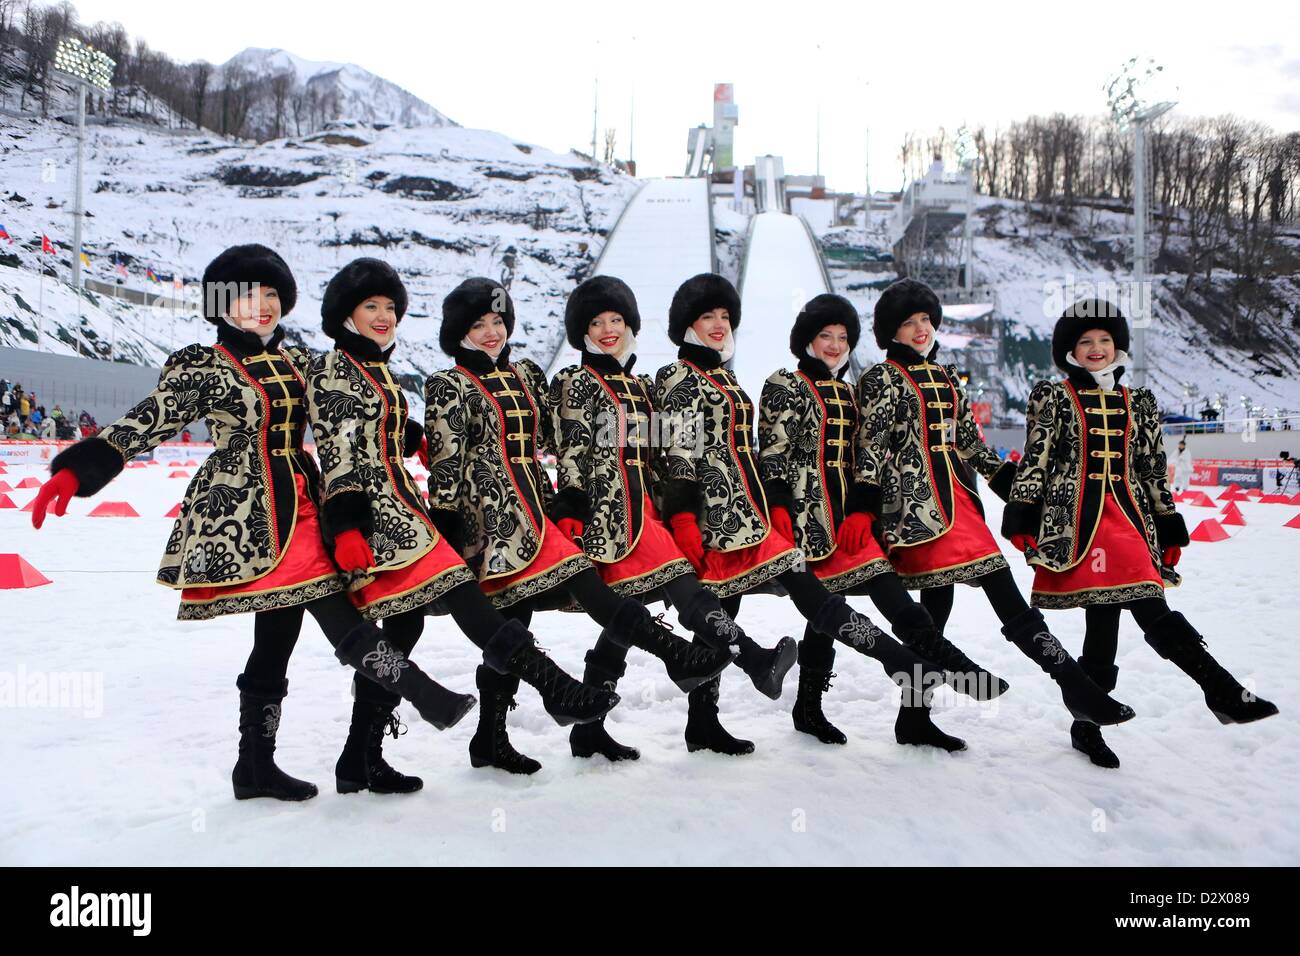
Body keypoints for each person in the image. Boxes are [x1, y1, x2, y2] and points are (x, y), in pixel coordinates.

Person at [31, 244, 479, 803]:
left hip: (308, 508)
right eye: (248, 295)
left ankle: (254, 767)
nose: (263, 305)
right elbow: (148, 420)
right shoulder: (206, 366)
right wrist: (81, 470)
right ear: (221, 304)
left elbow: (353, 417)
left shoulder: (299, 365)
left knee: (275, 641)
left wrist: (419, 441)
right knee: (333, 612)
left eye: (272, 294)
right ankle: (422, 693)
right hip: (247, 514)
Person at [308, 259, 617, 791]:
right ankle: (552, 686)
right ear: (346, 315)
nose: (384, 316)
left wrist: (412, 438)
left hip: (401, 505)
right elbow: (339, 448)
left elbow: (378, 425)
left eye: (390, 308)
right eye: (371, 307)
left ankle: (360, 756)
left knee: (405, 628)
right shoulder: (332, 368)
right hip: (371, 513)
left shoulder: (374, 367)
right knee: (441, 608)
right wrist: (348, 525)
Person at [424, 277, 733, 774]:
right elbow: (448, 467)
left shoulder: (527, 377)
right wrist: (447, 536)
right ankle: (678, 657)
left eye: (497, 322)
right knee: (555, 606)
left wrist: (681, 445)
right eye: (477, 324)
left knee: (523, 620)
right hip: (494, 521)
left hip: (538, 510)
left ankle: (500, 737)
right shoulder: (452, 385)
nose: (490, 332)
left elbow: (605, 437)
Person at [656, 273, 959, 755]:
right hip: (713, 514)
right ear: (688, 325)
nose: (719, 324)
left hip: (744, 511)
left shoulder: (723, 376)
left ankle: (893, 663)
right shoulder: (679, 378)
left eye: (725, 317)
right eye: (707, 317)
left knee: (794, 600)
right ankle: (703, 716)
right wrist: (684, 518)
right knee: (727, 611)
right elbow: (679, 449)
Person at [1002, 300, 1277, 767]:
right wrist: (1022, 514)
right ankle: (1091, 725)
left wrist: (1168, 520)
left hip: (1129, 523)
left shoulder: (1140, 402)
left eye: (1105, 341)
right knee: (1103, 628)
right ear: (1070, 350)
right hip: (1079, 527)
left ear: (1118, 347)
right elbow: (1037, 460)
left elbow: (1151, 469)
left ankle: (1220, 689)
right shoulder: (1054, 397)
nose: (1096, 349)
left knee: (1150, 604)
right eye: (1086, 341)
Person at [855, 278, 1135, 729]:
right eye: (908, 323)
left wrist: (1014, 488)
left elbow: (972, 444)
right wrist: (865, 507)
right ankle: (1068, 687)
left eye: (926, 319)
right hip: (914, 508)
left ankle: (1073, 686)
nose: (921, 329)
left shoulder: (946, 376)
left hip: (961, 505)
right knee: (939, 614)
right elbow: (869, 445)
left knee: (1000, 598)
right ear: (890, 332)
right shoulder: (881, 378)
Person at [549, 275, 797, 760]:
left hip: (649, 512)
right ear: (581, 332)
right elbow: (574, 452)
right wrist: (572, 511)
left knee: (627, 620)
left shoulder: (641, 386)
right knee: (687, 591)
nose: (607, 329)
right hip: (610, 515)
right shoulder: (577, 383)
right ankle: (752, 659)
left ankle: (592, 728)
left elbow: (668, 450)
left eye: (616, 320)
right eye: (596, 322)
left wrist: (687, 503)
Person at [760, 293, 1007, 752]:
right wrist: (778, 513)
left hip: (850, 517)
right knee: (826, 611)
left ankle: (928, 665)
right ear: (807, 340)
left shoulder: (852, 391)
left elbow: (871, 450)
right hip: (806, 516)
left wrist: (868, 507)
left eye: (842, 337)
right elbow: (772, 455)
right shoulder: (785, 384)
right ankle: (816, 703)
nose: (835, 345)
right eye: (825, 336)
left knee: (880, 590)